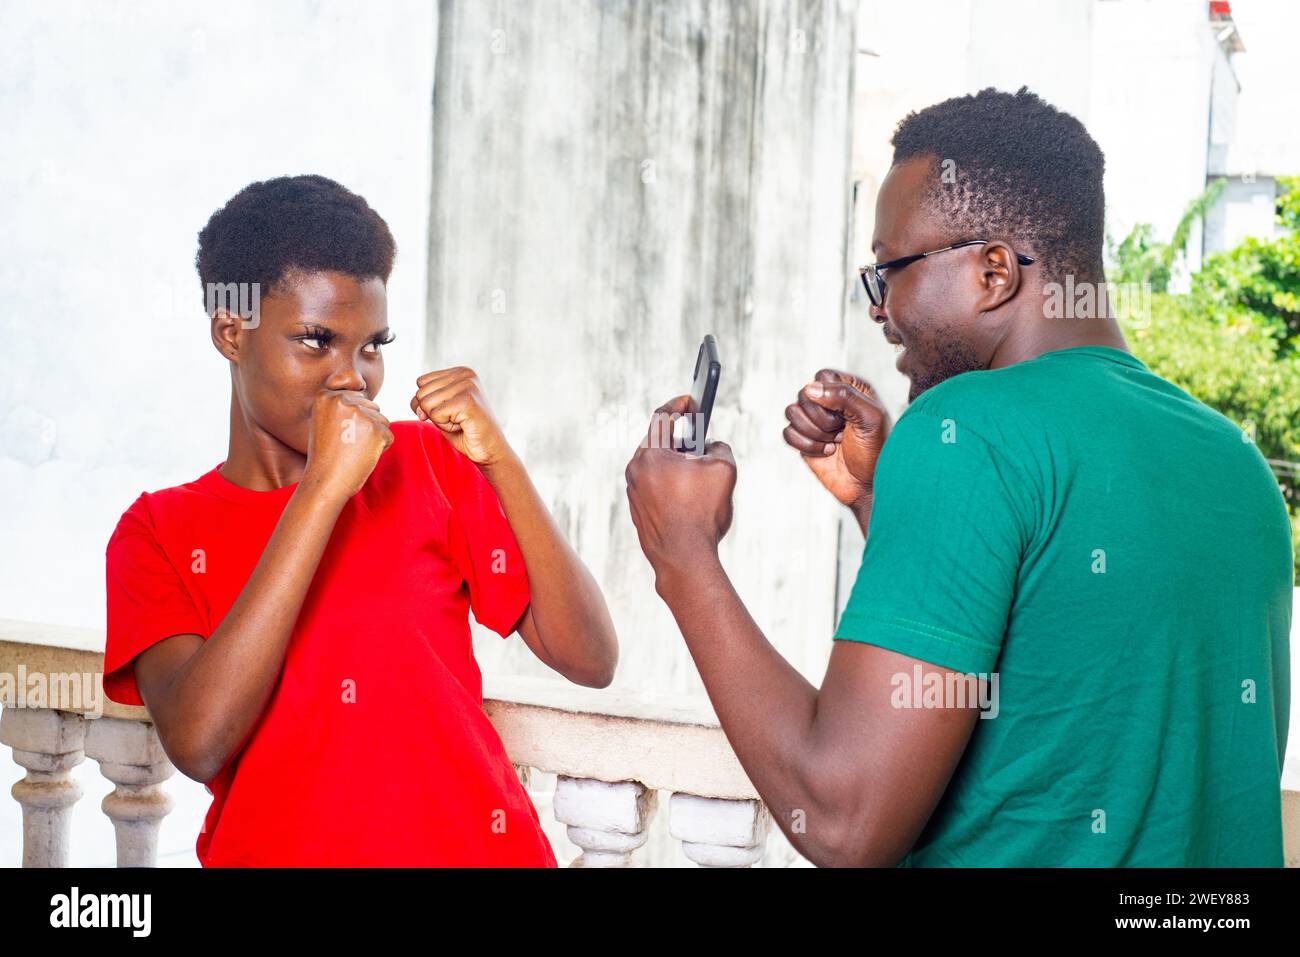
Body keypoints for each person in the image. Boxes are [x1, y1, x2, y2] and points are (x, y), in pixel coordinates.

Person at [624, 87, 1293, 866]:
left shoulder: (967, 432)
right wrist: (882, 500)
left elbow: (842, 817)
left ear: (994, 271)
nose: (879, 309)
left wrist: (685, 556)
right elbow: (1060, 669)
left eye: (889, 270)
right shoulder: (1234, 460)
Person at [103, 174, 618, 866]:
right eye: (317, 341)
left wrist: (501, 463)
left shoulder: (426, 462)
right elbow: (199, 740)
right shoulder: (158, 531)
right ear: (232, 331)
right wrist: (320, 492)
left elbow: (590, 657)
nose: (353, 376)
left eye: (372, 344)